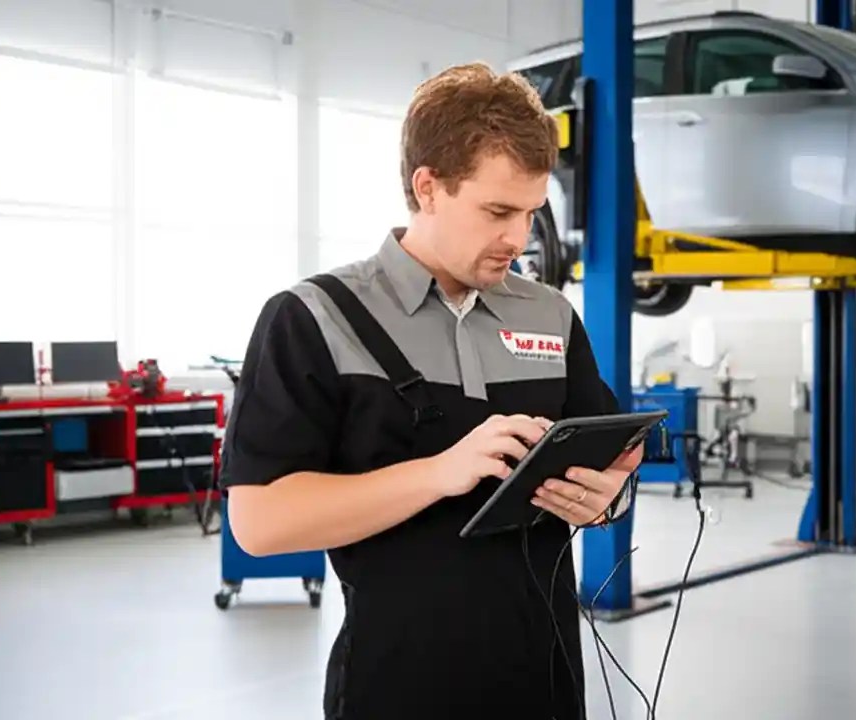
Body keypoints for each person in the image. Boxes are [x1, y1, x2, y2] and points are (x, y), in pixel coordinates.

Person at [219, 61, 643, 720]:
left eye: (532, 213)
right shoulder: (313, 319)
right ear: (428, 187)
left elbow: (606, 462)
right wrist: (440, 473)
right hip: (397, 688)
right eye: (498, 211)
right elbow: (259, 521)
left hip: (548, 682)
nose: (518, 239)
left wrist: (606, 498)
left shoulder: (550, 316)